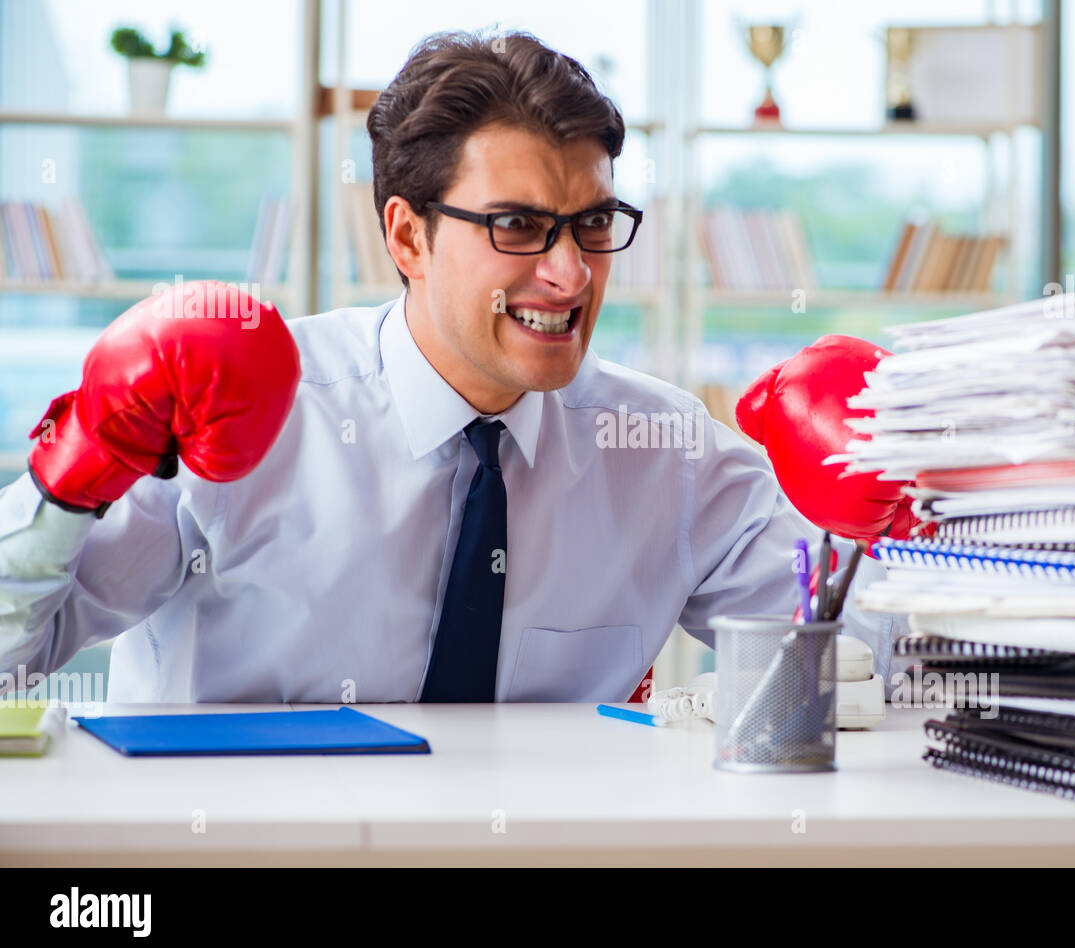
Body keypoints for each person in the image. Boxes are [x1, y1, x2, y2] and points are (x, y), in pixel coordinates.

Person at [0, 31, 913, 704]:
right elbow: (16, 662)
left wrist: (906, 521)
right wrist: (73, 468)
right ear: (407, 235)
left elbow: (887, 665)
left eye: (593, 224)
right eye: (517, 226)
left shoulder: (662, 448)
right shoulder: (253, 416)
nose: (570, 273)